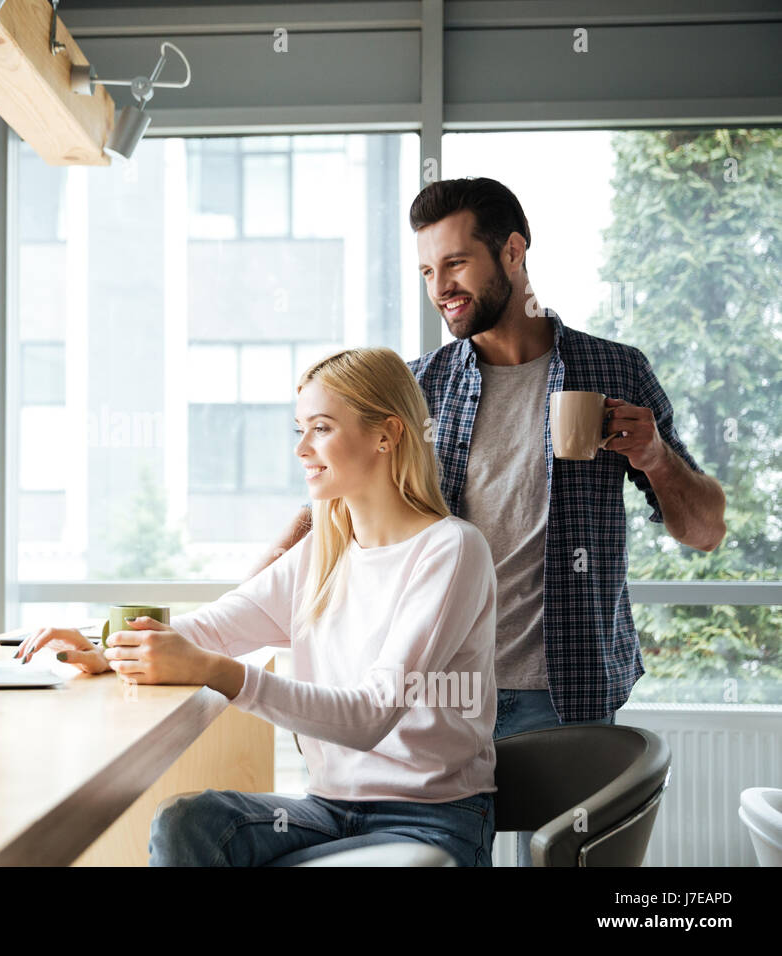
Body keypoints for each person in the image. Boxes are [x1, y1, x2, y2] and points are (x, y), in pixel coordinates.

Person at [253, 177, 727, 865]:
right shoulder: (420, 388)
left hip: (568, 689)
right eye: (425, 270)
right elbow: (325, 516)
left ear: (512, 252)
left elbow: (704, 530)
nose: (439, 285)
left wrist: (654, 456)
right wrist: (224, 613)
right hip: (433, 690)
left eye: (454, 264)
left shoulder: (614, 370)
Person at [14, 347, 499, 866]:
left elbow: (370, 716)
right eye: (300, 430)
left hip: (430, 820)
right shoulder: (325, 551)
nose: (302, 449)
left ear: (387, 434)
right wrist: (111, 649)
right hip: (330, 810)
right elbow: (216, 627)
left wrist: (217, 673)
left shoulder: (451, 550)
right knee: (188, 824)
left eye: (321, 428)